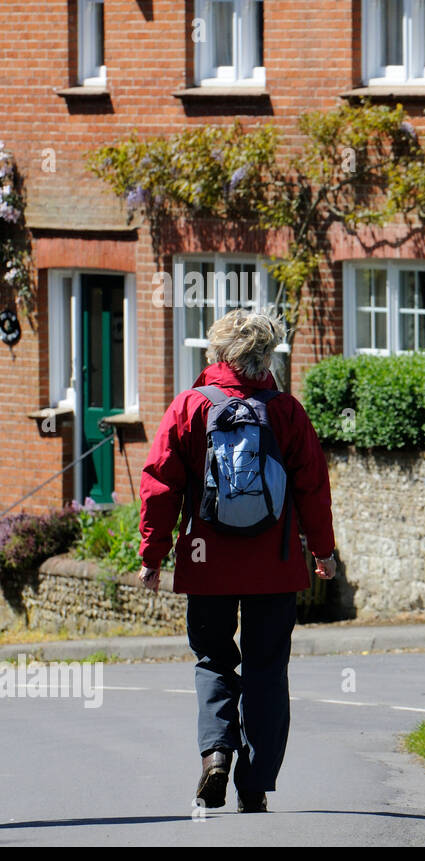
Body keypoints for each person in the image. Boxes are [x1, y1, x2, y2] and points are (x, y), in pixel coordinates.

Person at [137, 308, 337, 814]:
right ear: (265, 357)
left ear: (218, 353)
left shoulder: (190, 406)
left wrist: (153, 555)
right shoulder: (287, 411)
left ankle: (216, 756)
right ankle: (255, 783)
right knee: (268, 668)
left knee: (213, 660)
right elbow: (313, 487)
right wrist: (323, 551)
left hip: (208, 562)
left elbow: (160, 485)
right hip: (275, 562)